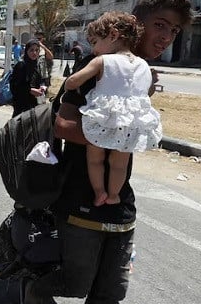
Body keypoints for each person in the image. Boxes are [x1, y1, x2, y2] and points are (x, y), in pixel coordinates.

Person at [22, 0, 192, 304]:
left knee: (113, 286)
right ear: (137, 21)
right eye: (159, 25)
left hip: (119, 194)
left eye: (173, 31)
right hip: (79, 191)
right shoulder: (96, 63)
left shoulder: (143, 75)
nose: (166, 37)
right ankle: (35, 289)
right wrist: (112, 135)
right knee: (79, 282)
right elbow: (61, 127)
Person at [63, 12, 162, 207]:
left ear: (113, 35)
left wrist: (69, 82)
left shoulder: (102, 61)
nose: (94, 49)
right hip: (130, 123)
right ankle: (114, 195)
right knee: (119, 164)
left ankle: (99, 192)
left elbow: (74, 81)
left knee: (95, 160)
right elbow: (147, 93)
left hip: (103, 117)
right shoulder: (143, 64)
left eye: (94, 42)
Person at [9, 39, 47, 117]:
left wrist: (42, 87)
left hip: (34, 105)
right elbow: (14, 86)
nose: (34, 53)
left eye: (37, 50)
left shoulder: (37, 65)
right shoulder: (21, 65)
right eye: (31, 50)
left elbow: (41, 80)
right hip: (21, 106)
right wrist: (30, 90)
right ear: (26, 51)